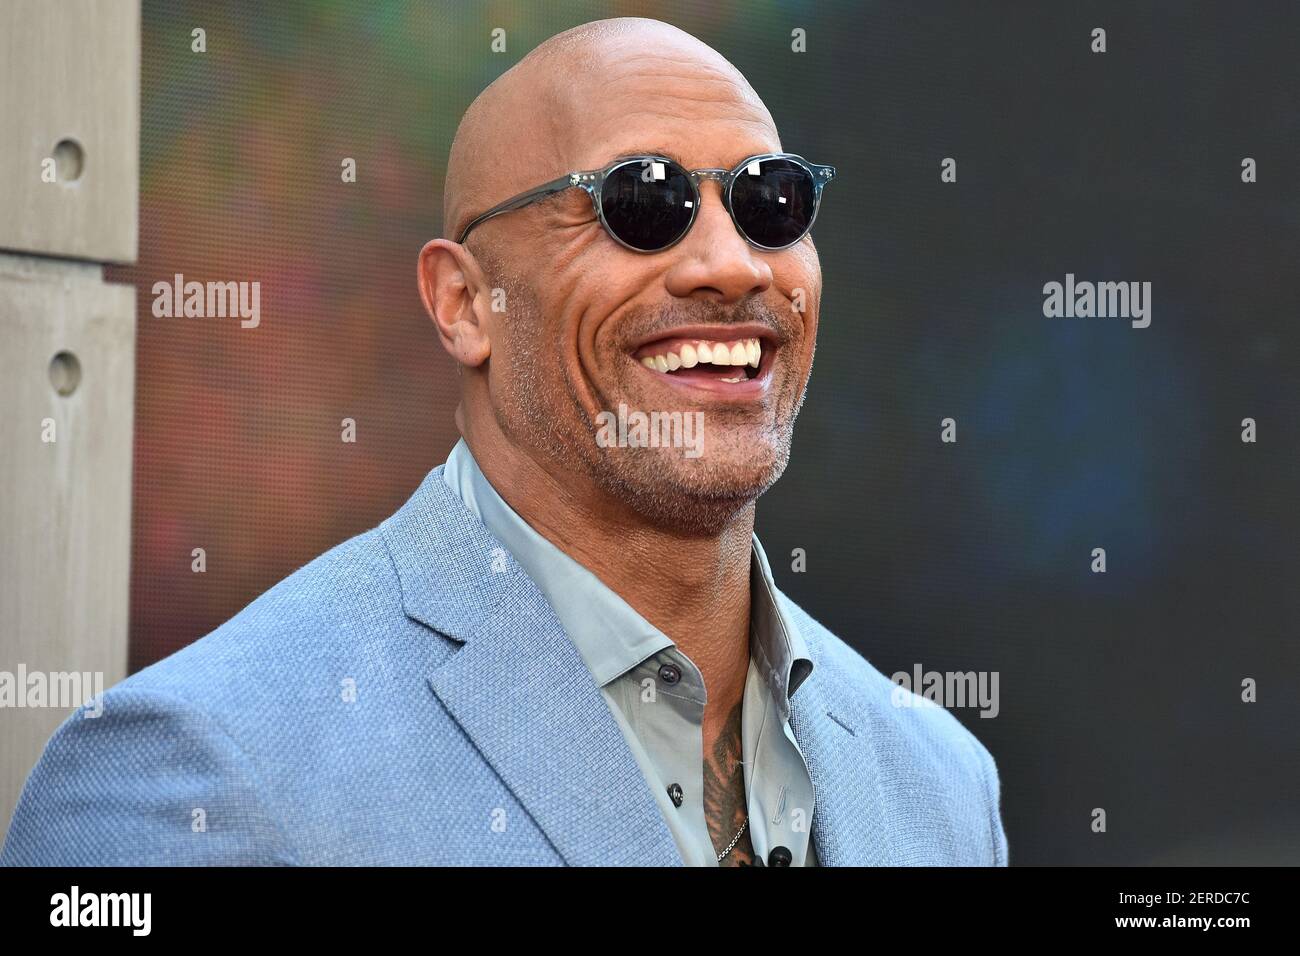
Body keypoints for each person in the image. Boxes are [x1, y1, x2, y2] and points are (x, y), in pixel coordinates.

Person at [2, 17, 1006, 867]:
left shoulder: (942, 784)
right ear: (461, 301)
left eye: (769, 201)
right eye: (641, 201)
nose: (730, 263)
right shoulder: (196, 774)